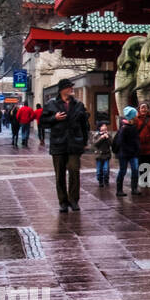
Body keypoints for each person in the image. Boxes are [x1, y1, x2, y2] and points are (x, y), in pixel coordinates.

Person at [40, 79, 90, 213]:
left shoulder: (78, 104)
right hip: (58, 143)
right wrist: (54, 118)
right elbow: (42, 122)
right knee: (59, 174)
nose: (71, 89)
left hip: (74, 143)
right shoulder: (51, 104)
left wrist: (85, 141)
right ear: (62, 89)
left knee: (74, 171)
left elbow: (85, 125)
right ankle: (63, 201)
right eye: (69, 87)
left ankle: (74, 200)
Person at [114, 107, 141, 197]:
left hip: (133, 153)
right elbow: (120, 142)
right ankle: (119, 190)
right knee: (123, 171)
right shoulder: (124, 128)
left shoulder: (134, 126)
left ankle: (134, 188)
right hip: (124, 153)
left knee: (135, 169)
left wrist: (137, 149)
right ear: (132, 117)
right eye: (135, 116)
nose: (137, 117)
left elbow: (136, 140)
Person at [91, 122, 113, 187]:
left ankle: (106, 180)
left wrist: (107, 138)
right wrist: (101, 138)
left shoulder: (108, 135)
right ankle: (100, 181)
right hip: (99, 155)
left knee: (106, 169)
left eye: (105, 126)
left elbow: (111, 144)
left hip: (106, 155)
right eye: (103, 126)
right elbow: (95, 144)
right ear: (100, 128)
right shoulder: (96, 135)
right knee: (99, 171)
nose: (105, 127)